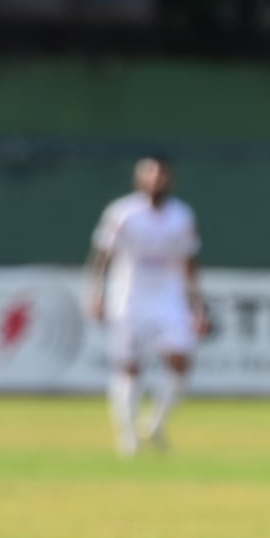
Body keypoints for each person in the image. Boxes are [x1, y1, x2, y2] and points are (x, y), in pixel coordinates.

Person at [86, 154, 206, 457]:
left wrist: (197, 304)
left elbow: (189, 261)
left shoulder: (182, 215)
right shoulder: (123, 212)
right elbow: (103, 256)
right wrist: (96, 293)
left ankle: (154, 425)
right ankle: (128, 436)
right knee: (130, 367)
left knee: (180, 360)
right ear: (140, 178)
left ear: (171, 179)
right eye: (151, 174)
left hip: (168, 298)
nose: (158, 180)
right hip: (128, 297)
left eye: (163, 174)